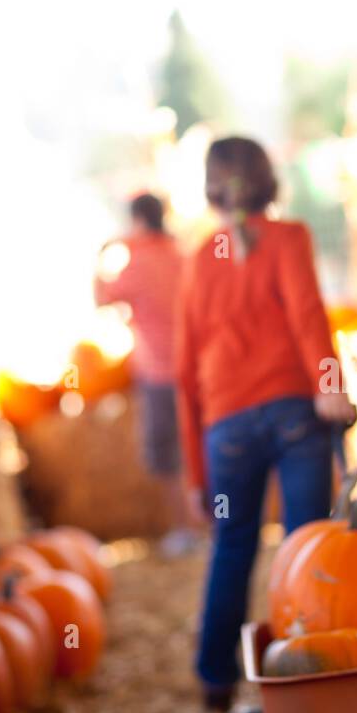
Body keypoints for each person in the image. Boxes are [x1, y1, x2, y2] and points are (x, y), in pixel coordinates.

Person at [176, 136, 355, 712]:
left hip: (224, 428)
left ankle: (215, 678)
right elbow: (308, 316)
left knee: (232, 545)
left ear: (212, 188)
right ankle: (306, 675)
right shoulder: (289, 238)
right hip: (294, 415)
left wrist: (195, 474)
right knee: (304, 544)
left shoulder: (200, 261)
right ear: (267, 181)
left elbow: (183, 373)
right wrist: (329, 387)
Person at [94, 192, 195, 554]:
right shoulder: (181, 256)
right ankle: (211, 524)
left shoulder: (135, 265)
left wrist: (104, 254)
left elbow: (101, 299)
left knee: (166, 452)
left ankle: (184, 530)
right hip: (193, 368)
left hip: (158, 373)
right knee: (197, 447)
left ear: (137, 222)